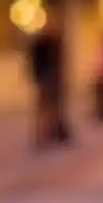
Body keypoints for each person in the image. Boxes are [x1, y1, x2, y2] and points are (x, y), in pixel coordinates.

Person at [30, 15, 69, 149]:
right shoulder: (43, 44)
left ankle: (50, 133)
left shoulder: (54, 43)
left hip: (52, 79)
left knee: (52, 107)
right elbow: (37, 63)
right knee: (45, 108)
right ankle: (42, 135)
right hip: (46, 79)